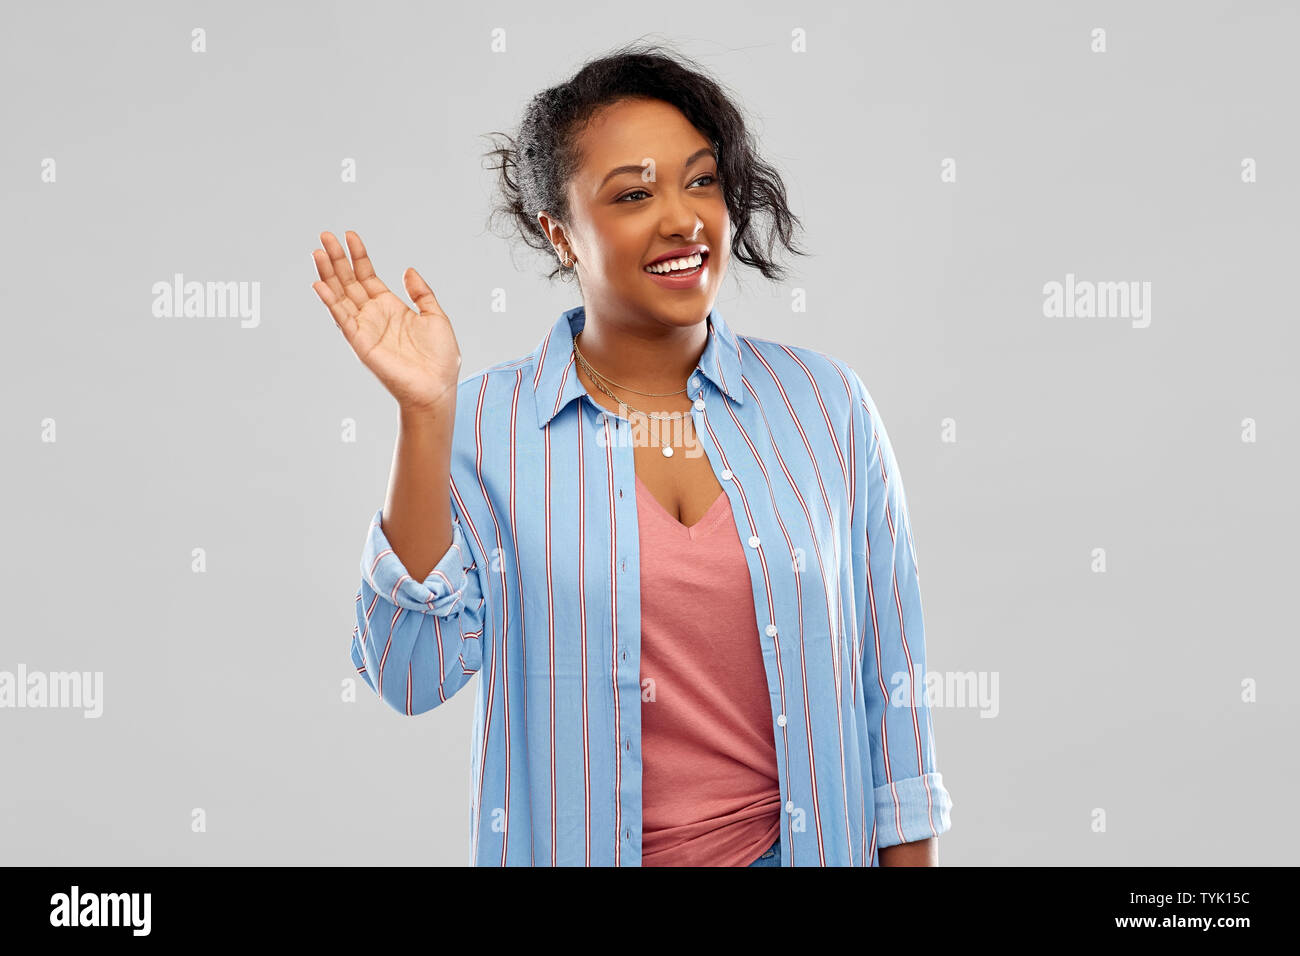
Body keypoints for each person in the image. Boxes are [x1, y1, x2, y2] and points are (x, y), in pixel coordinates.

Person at [310, 42, 952, 867]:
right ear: (561, 234)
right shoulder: (486, 429)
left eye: (701, 180)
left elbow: (893, 700)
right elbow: (408, 673)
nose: (682, 217)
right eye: (634, 194)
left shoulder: (828, 407)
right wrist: (425, 413)